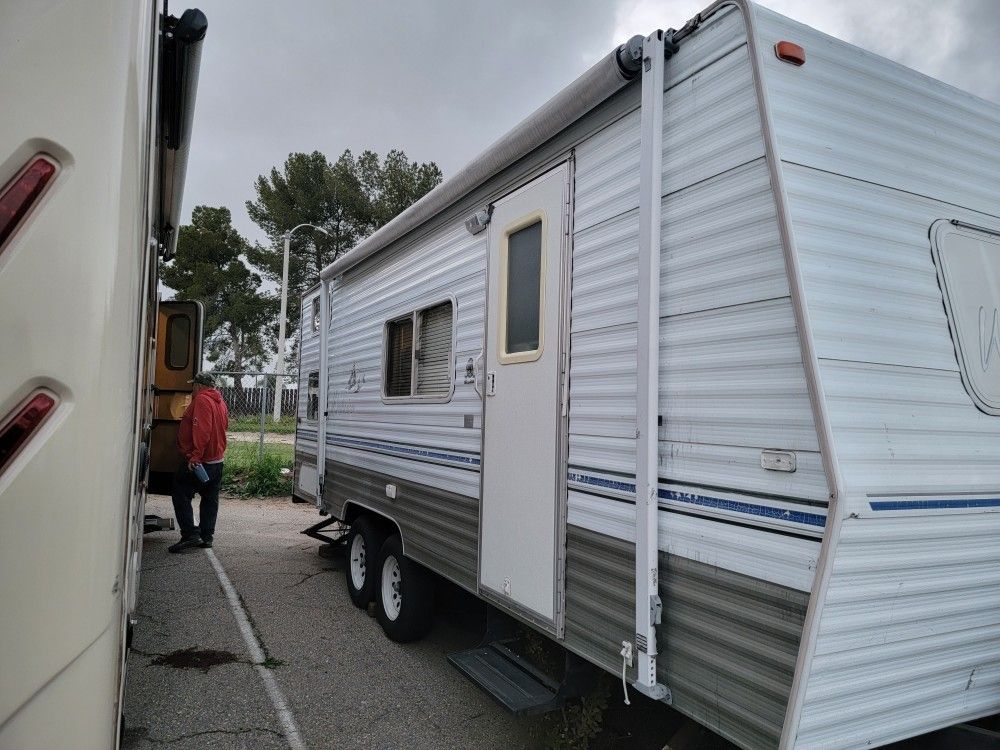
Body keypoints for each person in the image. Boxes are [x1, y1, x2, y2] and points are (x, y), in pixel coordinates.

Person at [168, 372, 229, 553]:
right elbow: (224, 426)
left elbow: (202, 430)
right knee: (210, 498)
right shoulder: (220, 402)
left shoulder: (202, 400)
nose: (192, 388)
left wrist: (195, 456)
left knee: (180, 493)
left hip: (202, 461)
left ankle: (190, 534)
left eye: (194, 385)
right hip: (217, 460)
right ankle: (206, 536)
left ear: (200, 386)